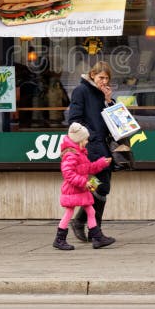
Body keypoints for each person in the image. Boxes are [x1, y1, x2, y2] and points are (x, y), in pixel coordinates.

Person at [67, 60, 116, 244]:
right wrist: (91, 137)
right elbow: (74, 119)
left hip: (104, 146)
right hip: (91, 148)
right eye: (101, 77)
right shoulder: (82, 91)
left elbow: (115, 120)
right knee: (101, 186)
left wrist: (109, 100)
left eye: (107, 78)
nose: (104, 81)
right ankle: (95, 232)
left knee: (98, 186)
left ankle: (81, 221)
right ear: (92, 75)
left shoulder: (103, 95)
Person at [54, 122, 115, 250]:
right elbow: (68, 174)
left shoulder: (80, 153)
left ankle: (97, 238)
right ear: (79, 140)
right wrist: (84, 182)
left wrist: (102, 163)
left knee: (91, 211)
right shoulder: (71, 155)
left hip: (82, 188)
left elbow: (89, 169)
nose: (87, 141)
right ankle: (59, 239)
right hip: (73, 189)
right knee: (69, 212)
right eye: (86, 139)